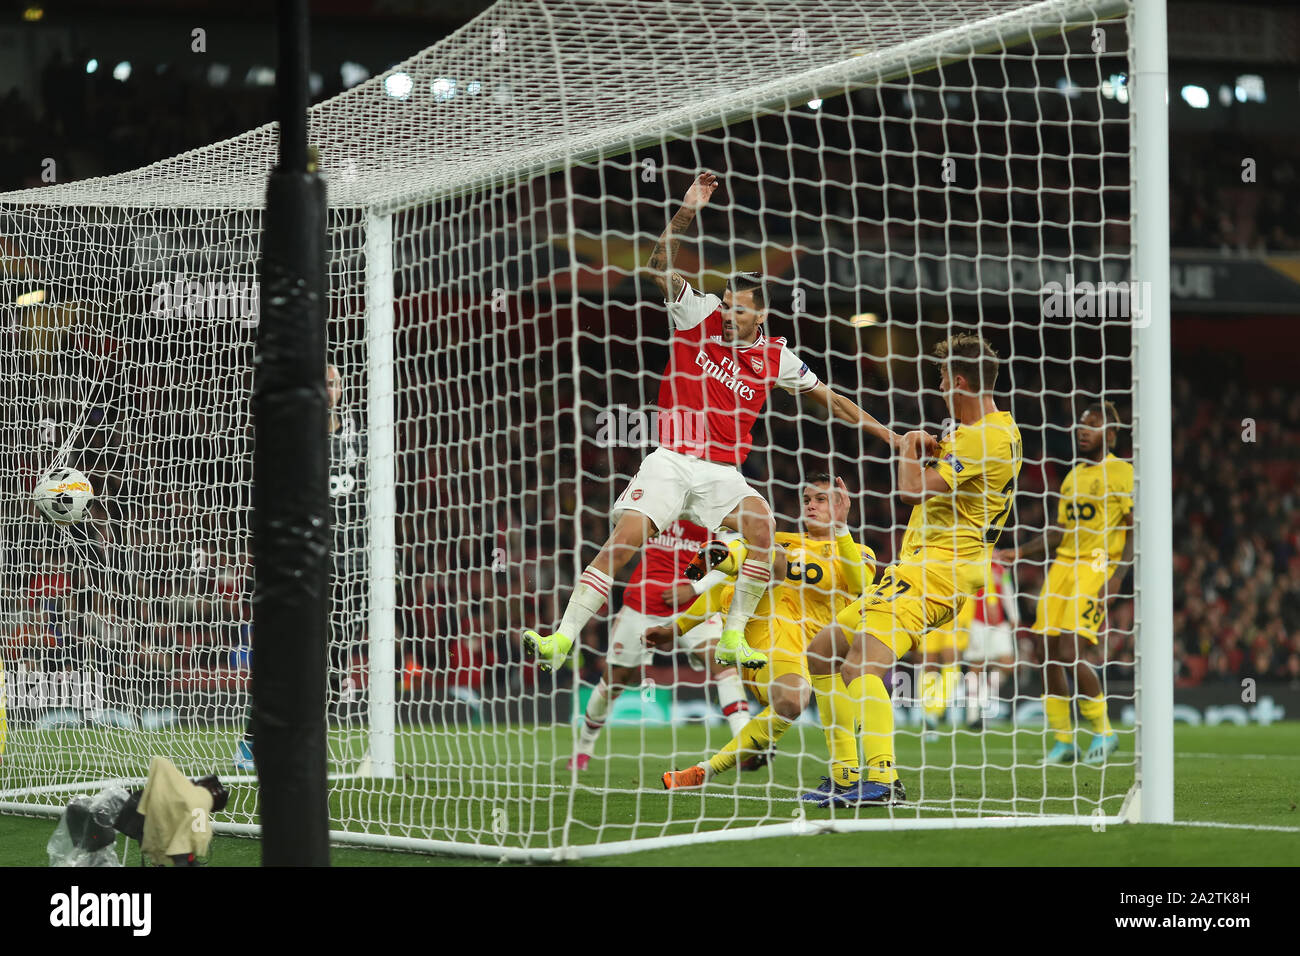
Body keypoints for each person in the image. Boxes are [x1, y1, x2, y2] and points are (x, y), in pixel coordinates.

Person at [524, 171, 899, 675]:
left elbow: (833, 401)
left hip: (723, 471)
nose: (727, 314)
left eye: (738, 310)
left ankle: (734, 639)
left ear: (759, 318)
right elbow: (658, 263)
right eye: (725, 304)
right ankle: (561, 639)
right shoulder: (695, 313)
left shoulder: (776, 357)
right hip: (671, 460)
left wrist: (892, 437)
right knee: (624, 544)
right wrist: (687, 211)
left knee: (762, 525)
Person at [803, 332, 1021, 807]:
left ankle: (881, 779)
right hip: (924, 567)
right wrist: (928, 446)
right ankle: (844, 774)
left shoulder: (985, 436)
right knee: (822, 652)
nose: (940, 386)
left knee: (862, 662)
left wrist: (907, 452)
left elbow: (911, 490)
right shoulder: (990, 431)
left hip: (939, 571)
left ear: (958, 380)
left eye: (943, 377)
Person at [657, 474, 873, 789]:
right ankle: (723, 557)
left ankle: (706, 770)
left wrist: (841, 530)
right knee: (767, 550)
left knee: (815, 711)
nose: (810, 506)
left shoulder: (857, 552)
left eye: (820, 499)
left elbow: (862, 586)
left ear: (841, 505)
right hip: (771, 640)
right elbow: (721, 594)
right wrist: (678, 627)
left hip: (821, 650)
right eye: (807, 500)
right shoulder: (781, 539)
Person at [234, 363, 363, 771]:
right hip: (302, 563)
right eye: (321, 384)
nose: (328, 390)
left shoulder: (360, 437)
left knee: (331, 660)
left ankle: (304, 741)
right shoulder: (292, 439)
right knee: (284, 654)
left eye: (334, 383)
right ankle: (253, 743)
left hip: (350, 563)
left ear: (342, 390)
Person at [994, 402, 1131, 765]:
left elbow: (1135, 527)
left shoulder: (1121, 473)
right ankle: (1063, 741)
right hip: (1063, 566)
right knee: (1044, 652)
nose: (1083, 430)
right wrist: (1020, 551)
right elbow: (1059, 531)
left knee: (1072, 652)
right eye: (1081, 425)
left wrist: (1116, 576)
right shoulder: (1072, 477)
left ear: (1111, 434)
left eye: (1093, 424)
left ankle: (1104, 731)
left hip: (1097, 565)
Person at [568, 519, 751, 771]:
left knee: (722, 663)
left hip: (692, 607)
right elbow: (621, 519)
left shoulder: (715, 510)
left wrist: (695, 588)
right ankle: (583, 749)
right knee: (615, 680)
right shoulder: (663, 502)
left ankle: (744, 745)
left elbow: (732, 555)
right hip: (643, 605)